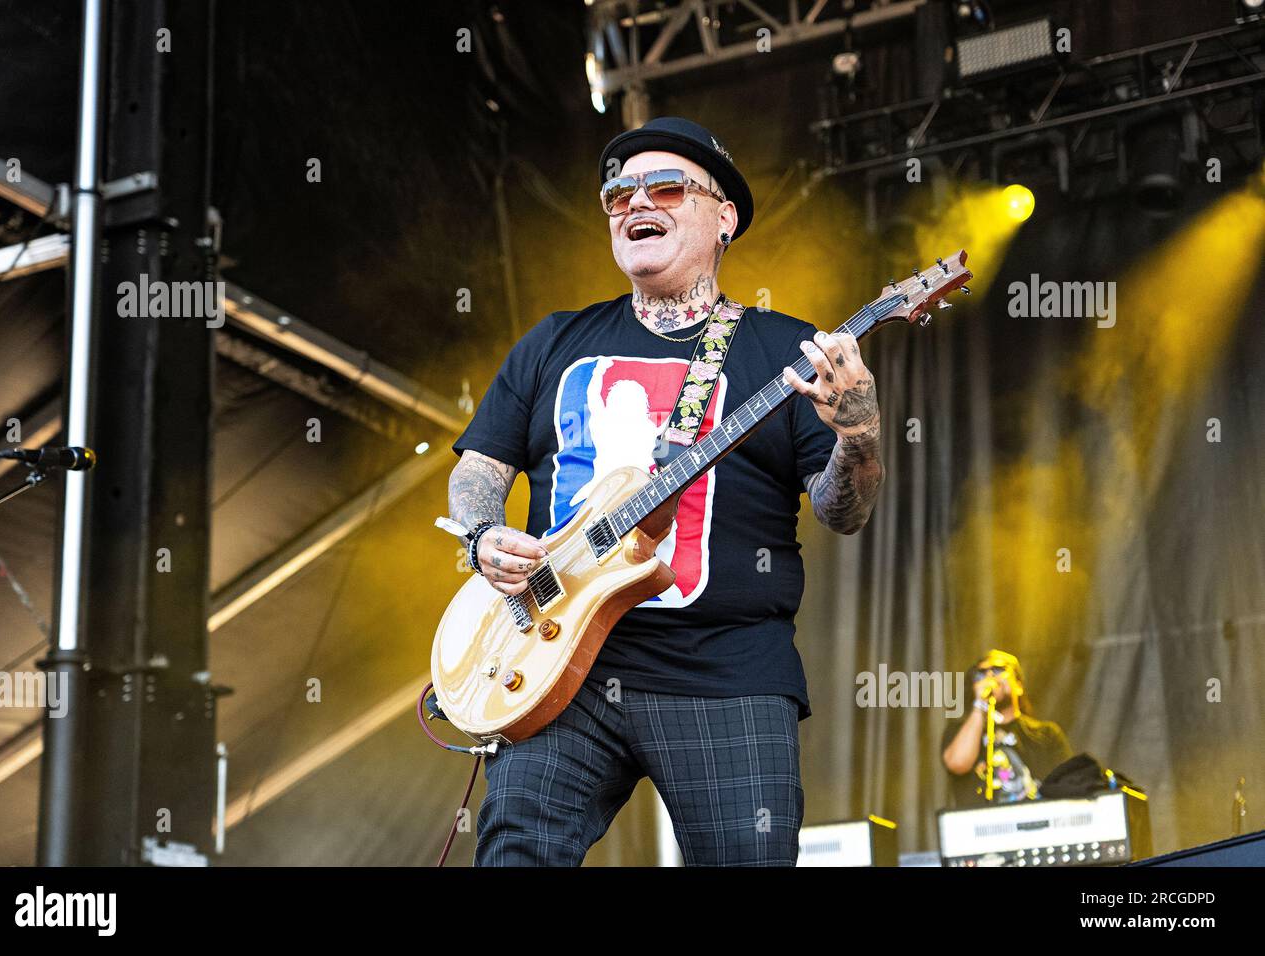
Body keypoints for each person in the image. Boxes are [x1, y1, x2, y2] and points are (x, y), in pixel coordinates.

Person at [447, 117, 884, 865]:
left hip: (727, 671)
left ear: (724, 218)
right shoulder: (553, 341)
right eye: (619, 193)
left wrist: (861, 434)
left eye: (667, 186)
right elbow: (478, 470)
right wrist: (483, 536)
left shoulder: (787, 350)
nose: (636, 201)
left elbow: (844, 511)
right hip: (559, 662)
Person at [940, 649, 1072, 809]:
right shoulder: (960, 731)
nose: (989, 676)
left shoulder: (1046, 734)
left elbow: (1068, 787)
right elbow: (958, 763)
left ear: (1019, 685)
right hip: (982, 822)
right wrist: (979, 705)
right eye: (981, 674)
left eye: (998, 670)